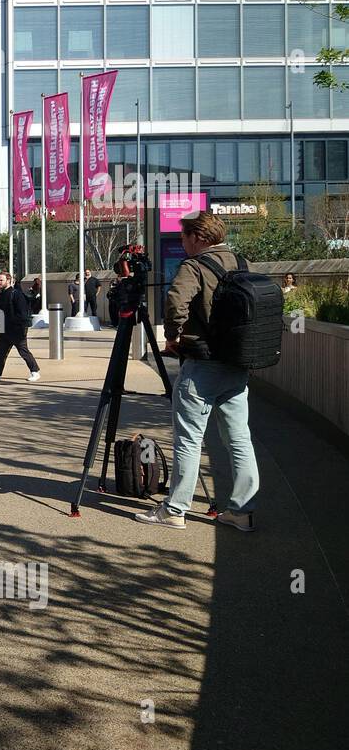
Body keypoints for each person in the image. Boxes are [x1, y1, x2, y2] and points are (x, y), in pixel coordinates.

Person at [137, 212, 258, 532]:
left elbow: (176, 303)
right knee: (239, 439)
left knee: (189, 440)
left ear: (198, 237)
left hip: (202, 364)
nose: (182, 243)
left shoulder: (194, 266)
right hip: (236, 364)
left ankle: (175, 510)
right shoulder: (241, 263)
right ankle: (242, 511)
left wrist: (172, 337)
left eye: (184, 237)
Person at [0, 272, 41, 384]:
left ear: (8, 280)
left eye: (1, 280)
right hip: (5, 329)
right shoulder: (2, 294)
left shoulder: (16, 294)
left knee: (23, 351)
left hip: (16, 330)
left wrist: (18, 326)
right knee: (1, 352)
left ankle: (35, 371)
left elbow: (21, 313)